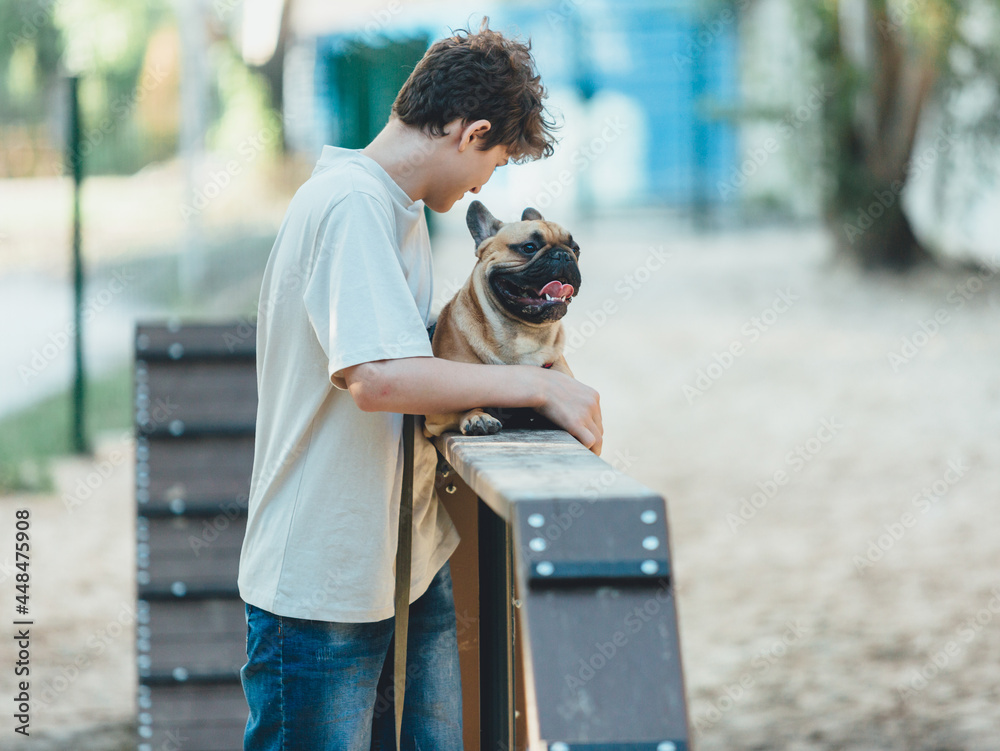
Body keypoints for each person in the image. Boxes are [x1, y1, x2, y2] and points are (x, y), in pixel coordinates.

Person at [237, 17, 603, 751]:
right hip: (324, 584)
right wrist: (539, 389)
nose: (485, 182)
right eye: (494, 163)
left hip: (403, 560)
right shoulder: (351, 206)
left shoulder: (393, 210)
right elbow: (375, 378)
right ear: (470, 134)